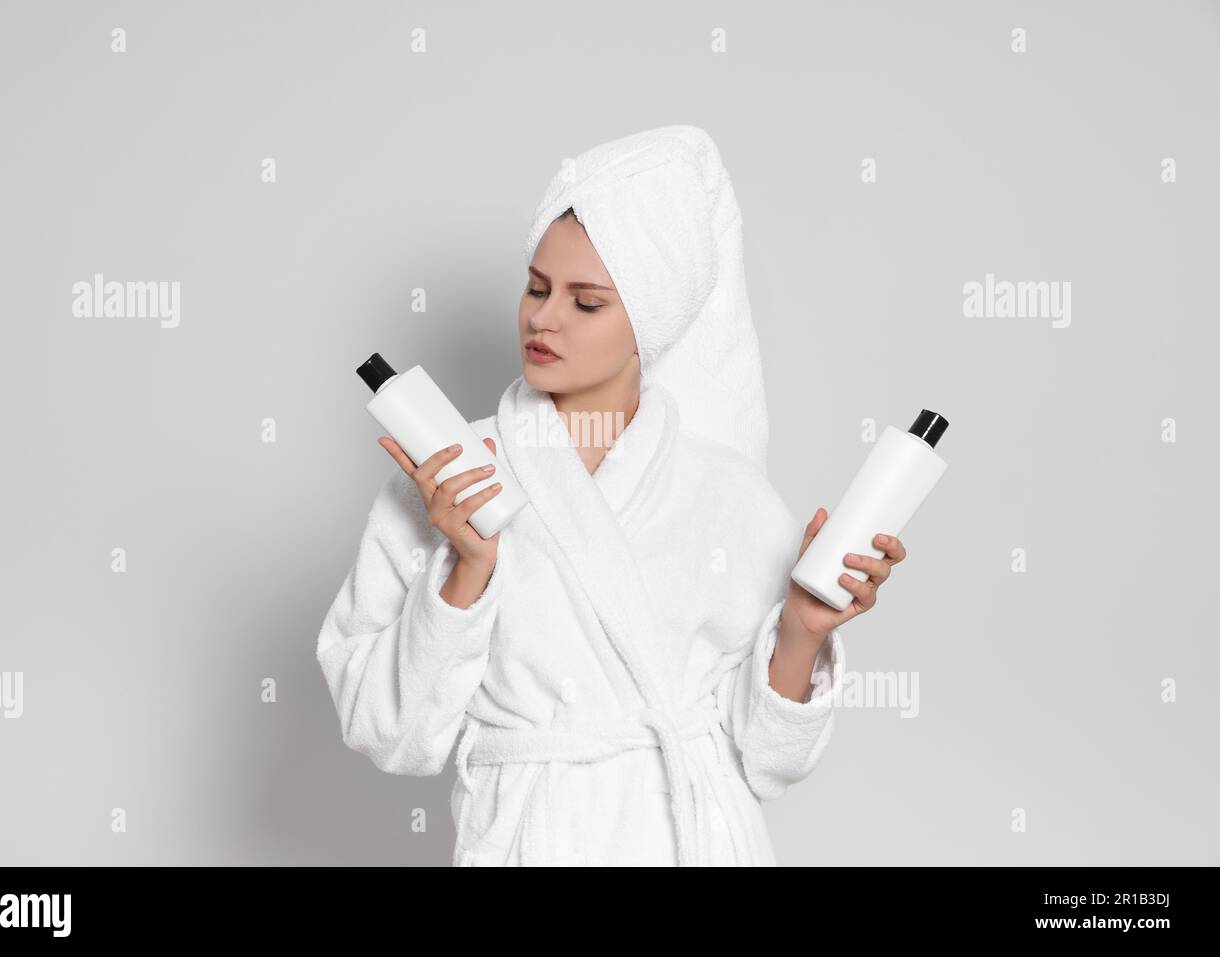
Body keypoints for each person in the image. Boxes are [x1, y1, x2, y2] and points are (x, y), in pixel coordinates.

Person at [316, 125, 907, 866]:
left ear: (647, 327)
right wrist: (465, 571)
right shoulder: (447, 477)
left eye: (585, 302)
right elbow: (387, 732)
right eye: (536, 287)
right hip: (534, 840)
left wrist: (803, 630)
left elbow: (768, 759)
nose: (542, 317)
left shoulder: (727, 493)